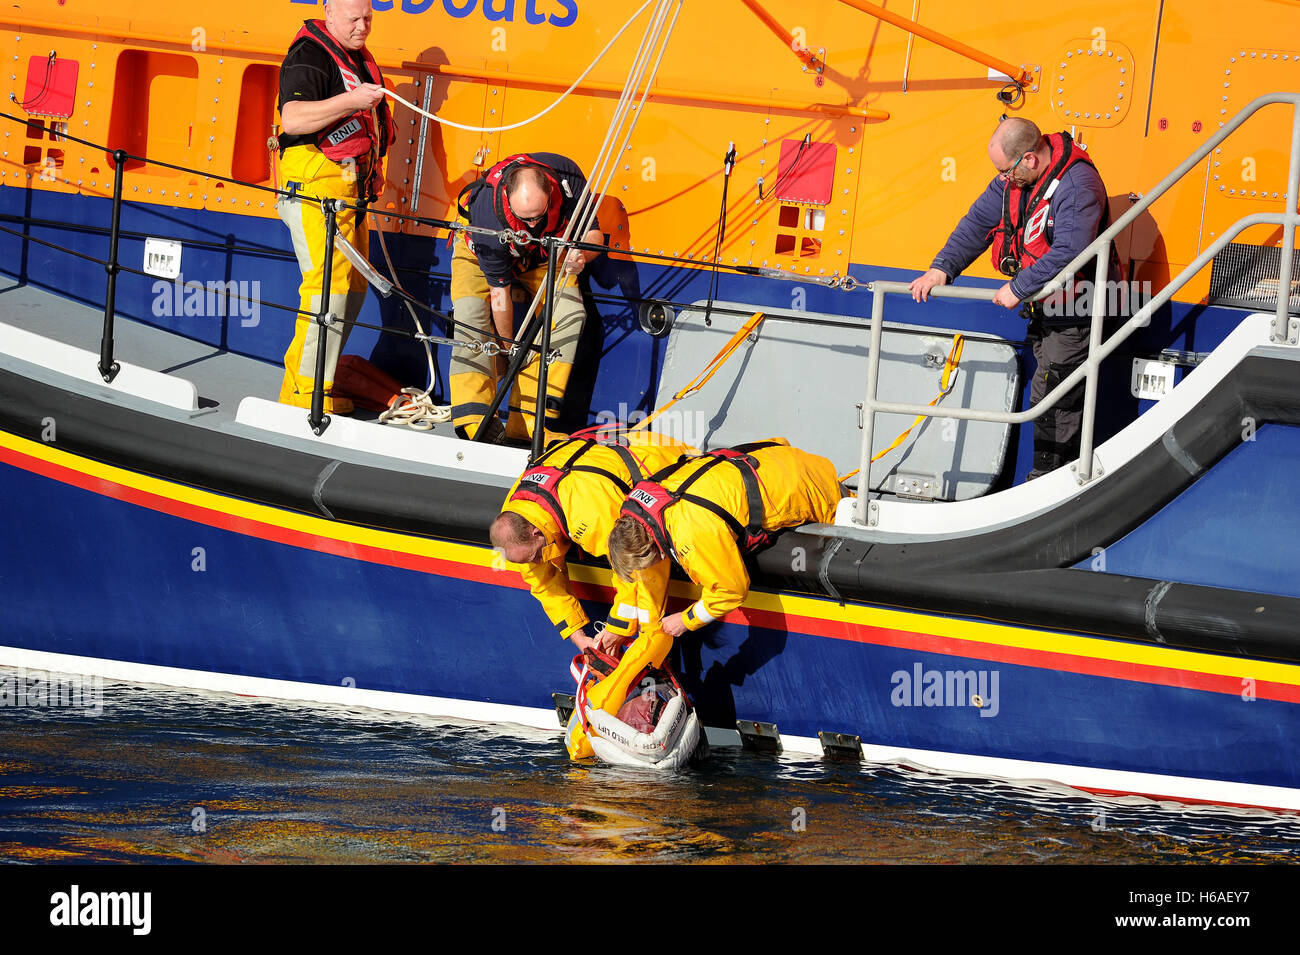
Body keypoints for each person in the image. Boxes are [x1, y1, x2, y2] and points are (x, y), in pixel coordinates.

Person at [908, 117, 1114, 480]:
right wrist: (941, 269)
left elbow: (1071, 250)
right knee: (1049, 394)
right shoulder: (1014, 181)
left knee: (1054, 400)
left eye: (1006, 170)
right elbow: (976, 224)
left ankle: (1050, 486)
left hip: (1076, 312)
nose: (1002, 178)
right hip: (1044, 310)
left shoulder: (1079, 185)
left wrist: (1018, 287)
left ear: (1030, 159)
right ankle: (1048, 480)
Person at [588, 439, 842, 722]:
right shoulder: (638, 507)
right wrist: (624, 628)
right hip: (777, 460)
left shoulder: (692, 533)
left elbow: (731, 589)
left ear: (655, 552)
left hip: (815, 487)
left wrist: (686, 620)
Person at [275, 0, 394, 414]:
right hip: (316, 189)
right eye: (353, 19)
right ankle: (300, 398)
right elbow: (292, 119)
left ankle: (317, 382)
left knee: (352, 292)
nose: (363, 27)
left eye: (368, 19)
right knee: (327, 289)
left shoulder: (357, 58)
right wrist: (351, 102)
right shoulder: (310, 55)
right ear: (328, 13)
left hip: (350, 194)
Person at [489, 430, 697, 655]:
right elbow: (543, 583)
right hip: (608, 457)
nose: (537, 562)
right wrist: (579, 638)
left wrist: (626, 629)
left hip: (672, 461)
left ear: (537, 532)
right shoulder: (516, 513)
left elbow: (642, 564)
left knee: (644, 573)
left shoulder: (588, 514)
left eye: (537, 556)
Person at [451, 153, 606, 442]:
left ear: (550, 191)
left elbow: (594, 235)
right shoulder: (488, 216)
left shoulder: (567, 176)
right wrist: (510, 349)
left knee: (571, 316)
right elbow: (499, 294)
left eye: (539, 216)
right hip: (479, 253)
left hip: (546, 255)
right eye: (525, 219)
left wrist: (581, 256)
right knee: (470, 316)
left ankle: (528, 423)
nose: (533, 225)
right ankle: (473, 419)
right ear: (508, 199)